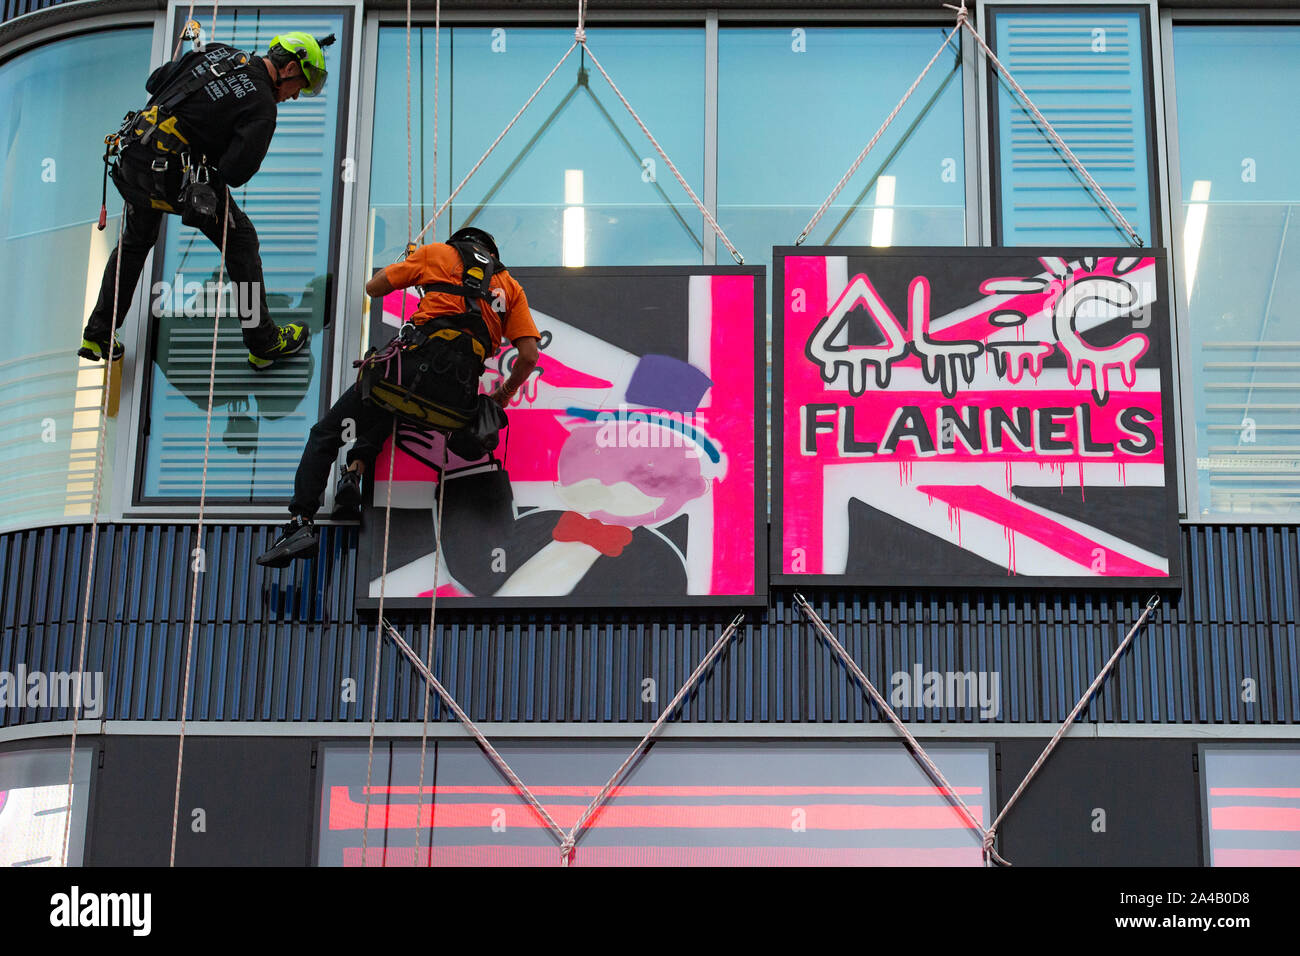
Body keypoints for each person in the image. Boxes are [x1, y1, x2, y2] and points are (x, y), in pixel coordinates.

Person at [257, 226, 541, 568]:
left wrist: (414, 265)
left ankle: (300, 523)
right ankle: (356, 468)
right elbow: (528, 356)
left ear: (459, 243)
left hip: (408, 377)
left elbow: (374, 288)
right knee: (393, 407)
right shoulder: (510, 287)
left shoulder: (437, 253)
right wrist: (502, 395)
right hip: (455, 406)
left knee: (332, 430)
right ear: (493, 255)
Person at [80, 31, 333, 369]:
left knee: (135, 241)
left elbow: (155, 81)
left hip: (135, 158)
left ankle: (97, 333)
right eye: (299, 86)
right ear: (288, 69)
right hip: (174, 175)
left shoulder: (219, 53)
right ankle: (263, 342)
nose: (294, 96)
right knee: (241, 242)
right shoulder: (261, 105)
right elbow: (234, 172)